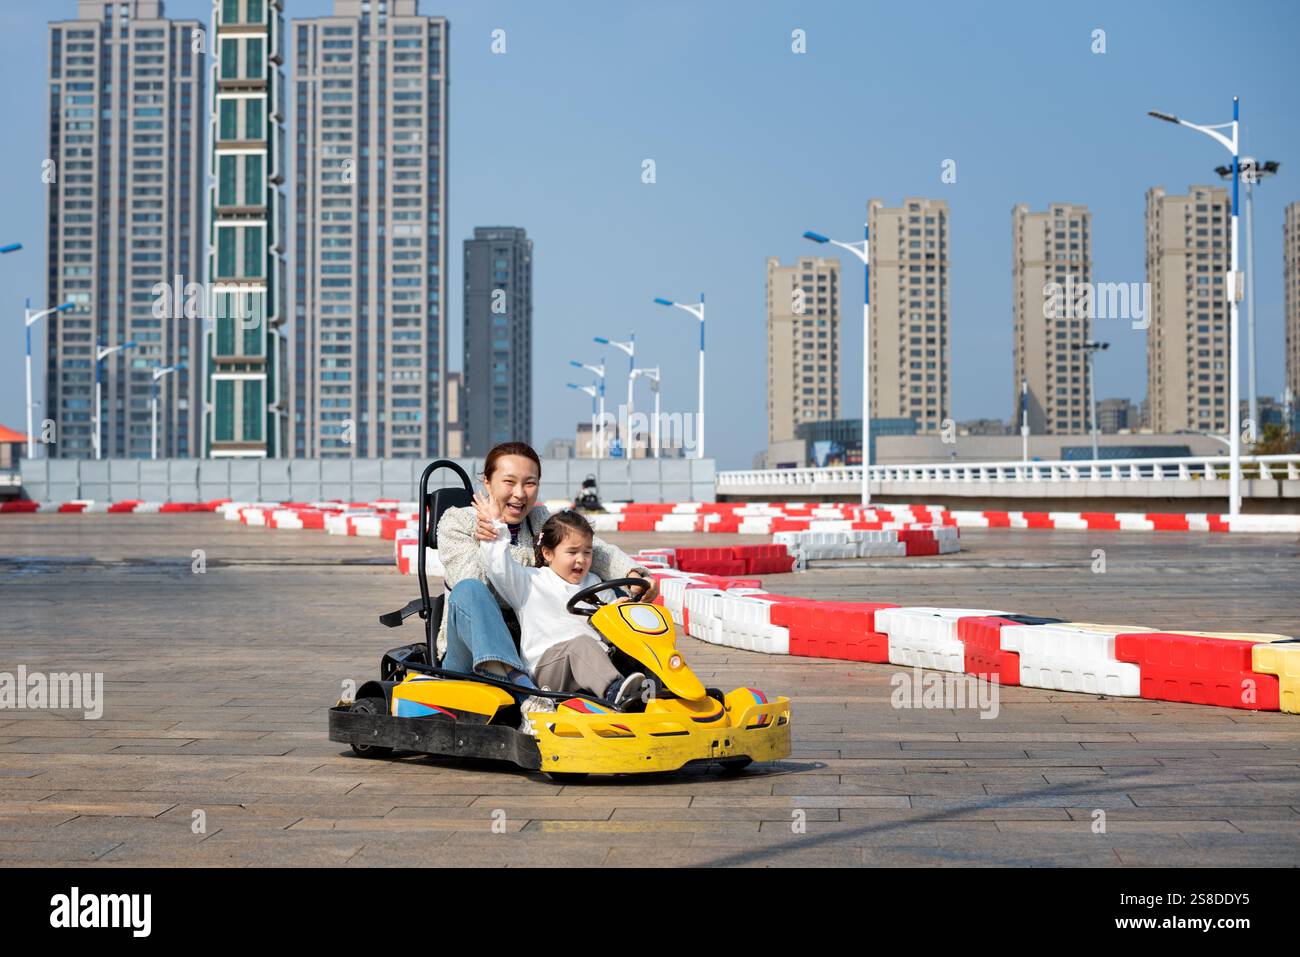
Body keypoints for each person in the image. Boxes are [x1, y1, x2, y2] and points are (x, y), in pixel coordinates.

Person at [435, 442, 658, 688]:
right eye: (509, 482)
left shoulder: (538, 520)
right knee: (470, 589)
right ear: (487, 482)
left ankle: (643, 680)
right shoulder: (457, 521)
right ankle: (524, 690)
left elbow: (589, 548)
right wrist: (492, 537)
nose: (520, 493)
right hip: (471, 647)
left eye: (530, 483)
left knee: (602, 586)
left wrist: (633, 574)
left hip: (530, 646)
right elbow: (476, 586)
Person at [475, 492, 647, 712]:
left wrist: (621, 611)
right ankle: (616, 693)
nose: (581, 560)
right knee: (581, 645)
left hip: (593, 662)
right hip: (548, 669)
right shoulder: (529, 581)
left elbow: (612, 629)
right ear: (548, 553)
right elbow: (499, 567)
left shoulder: (595, 583)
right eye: (572, 552)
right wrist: (495, 527)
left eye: (587, 552)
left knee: (634, 641)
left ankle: (661, 690)